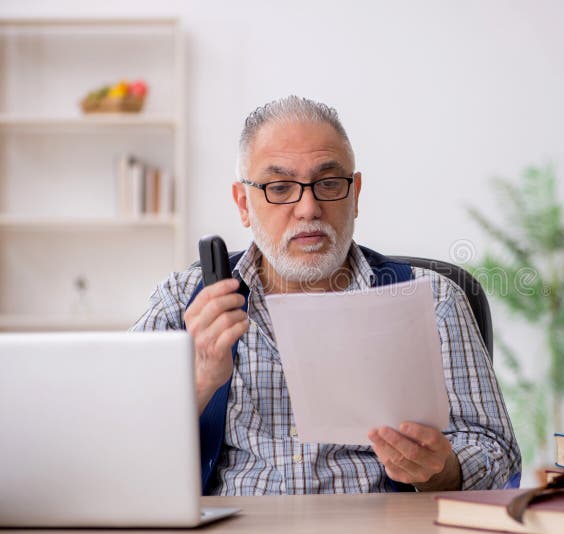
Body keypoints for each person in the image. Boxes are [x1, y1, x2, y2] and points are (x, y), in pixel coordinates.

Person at [132, 96, 520, 495]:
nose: (308, 208)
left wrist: (440, 469)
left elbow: (498, 450)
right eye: (280, 187)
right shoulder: (180, 303)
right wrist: (197, 383)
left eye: (329, 183)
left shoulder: (434, 299)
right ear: (242, 204)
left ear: (355, 194)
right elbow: (119, 451)